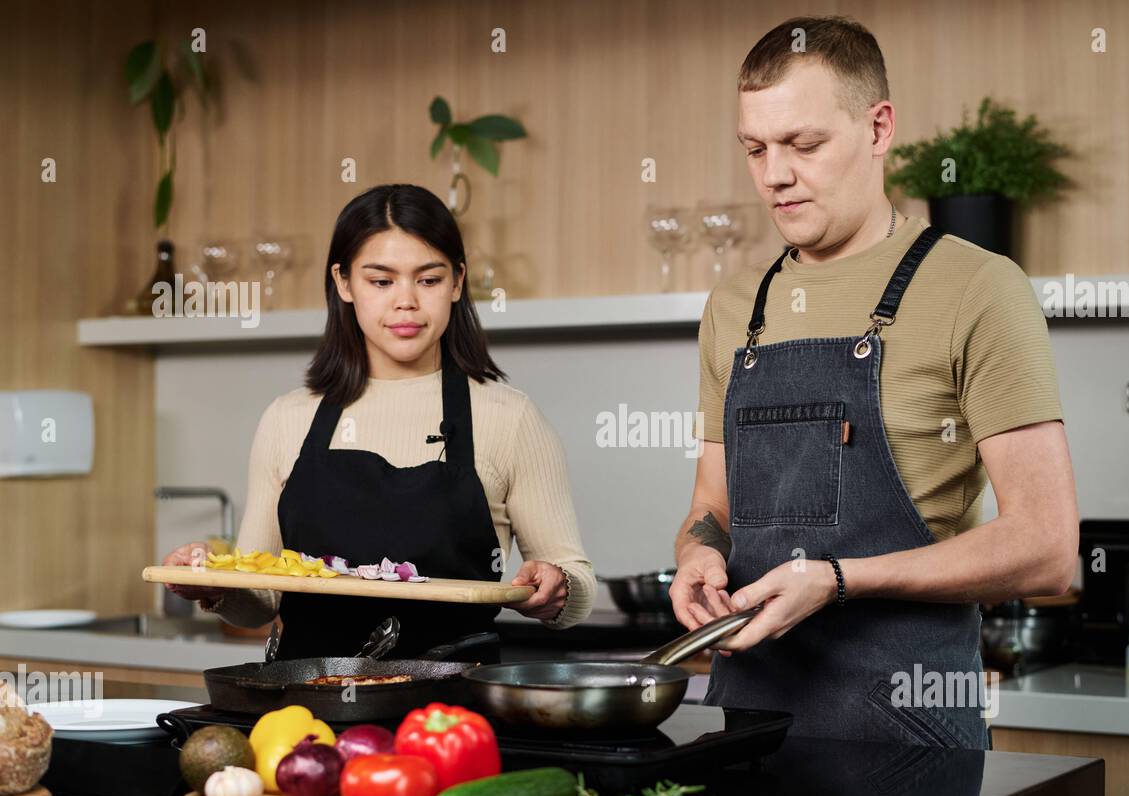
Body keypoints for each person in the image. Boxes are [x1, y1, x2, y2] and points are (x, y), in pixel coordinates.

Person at [670, 17, 1078, 747]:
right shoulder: (735, 310)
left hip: (907, 727)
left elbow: (1047, 547)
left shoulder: (978, 287)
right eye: (755, 149)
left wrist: (838, 579)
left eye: (805, 144)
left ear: (879, 127)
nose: (775, 175)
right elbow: (712, 504)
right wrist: (697, 554)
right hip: (748, 724)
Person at [164, 183, 594, 656]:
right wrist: (214, 584)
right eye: (381, 281)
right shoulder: (289, 418)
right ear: (344, 283)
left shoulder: (510, 418)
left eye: (428, 280)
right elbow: (262, 597)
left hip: (448, 717)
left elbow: (574, 580)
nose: (405, 301)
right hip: (309, 705)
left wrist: (559, 588)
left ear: (456, 283)